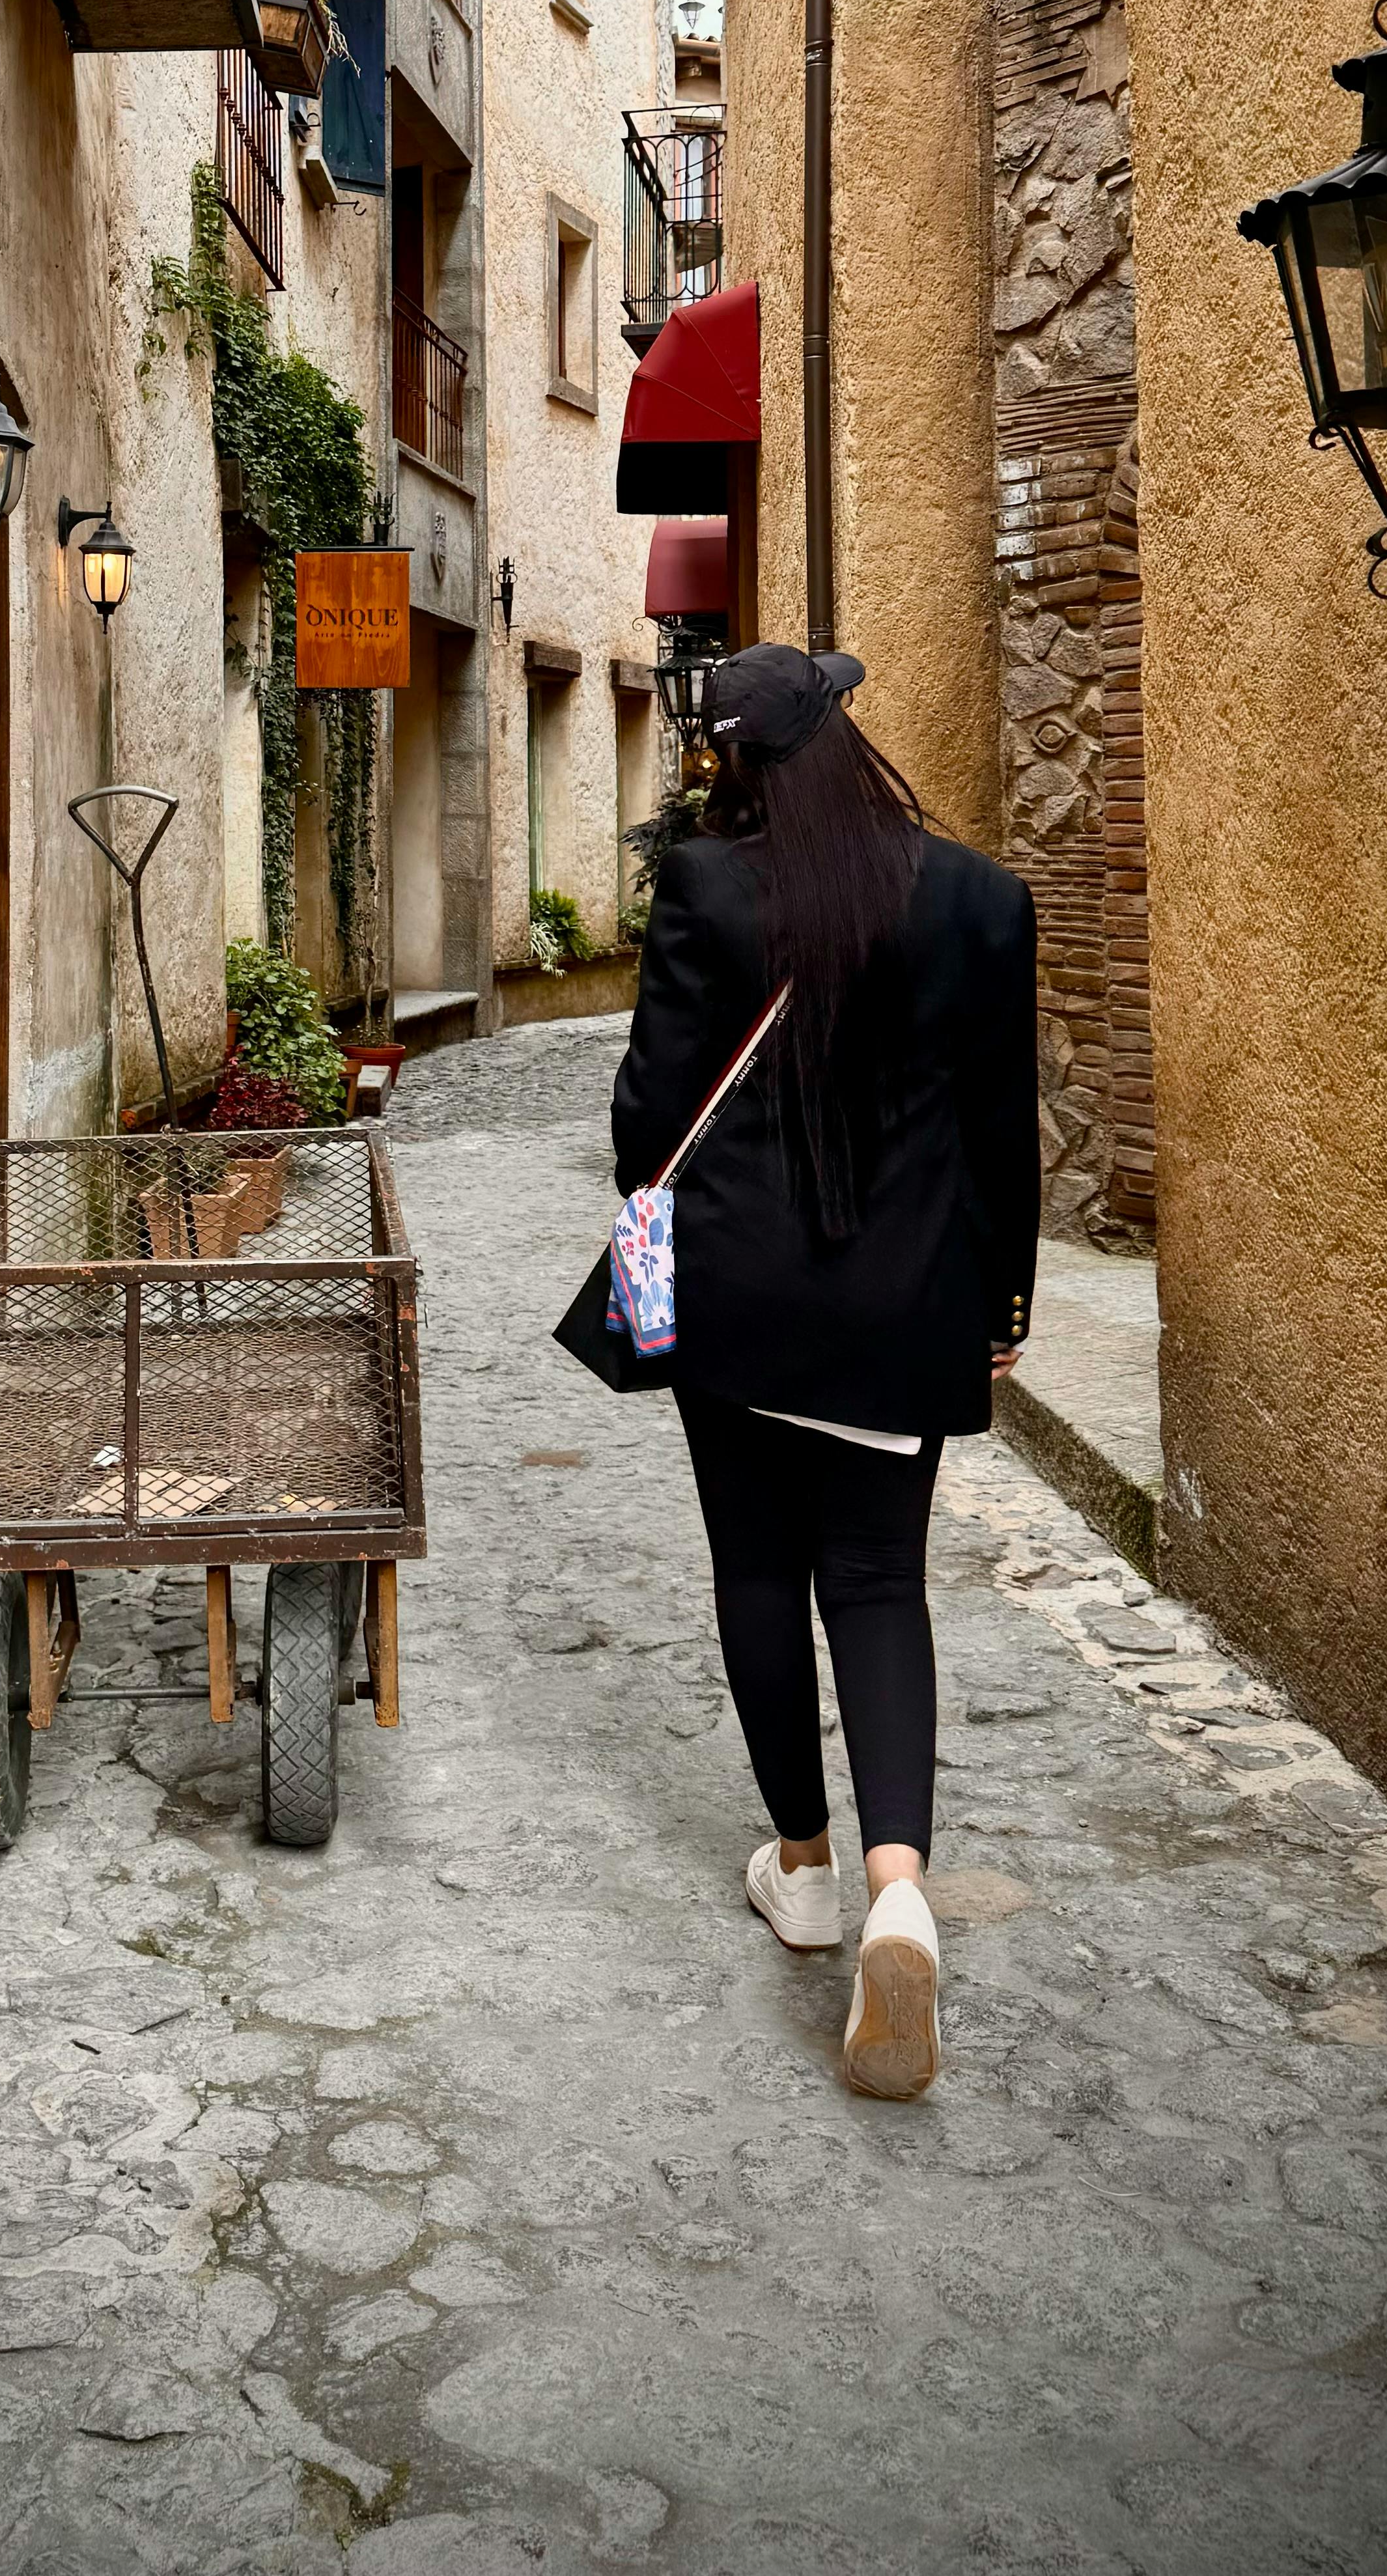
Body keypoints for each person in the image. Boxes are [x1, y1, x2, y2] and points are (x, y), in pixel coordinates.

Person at [611, 643, 1037, 2101]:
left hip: (733, 1301)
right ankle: (900, 1889)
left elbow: (647, 1116)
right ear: (847, 733)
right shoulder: (983, 901)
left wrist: (667, 1254)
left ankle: (797, 1867)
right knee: (875, 1581)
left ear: (734, 761)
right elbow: (998, 1137)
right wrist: (1000, 1301)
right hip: (901, 1305)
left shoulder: (709, 888)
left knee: (753, 1570)